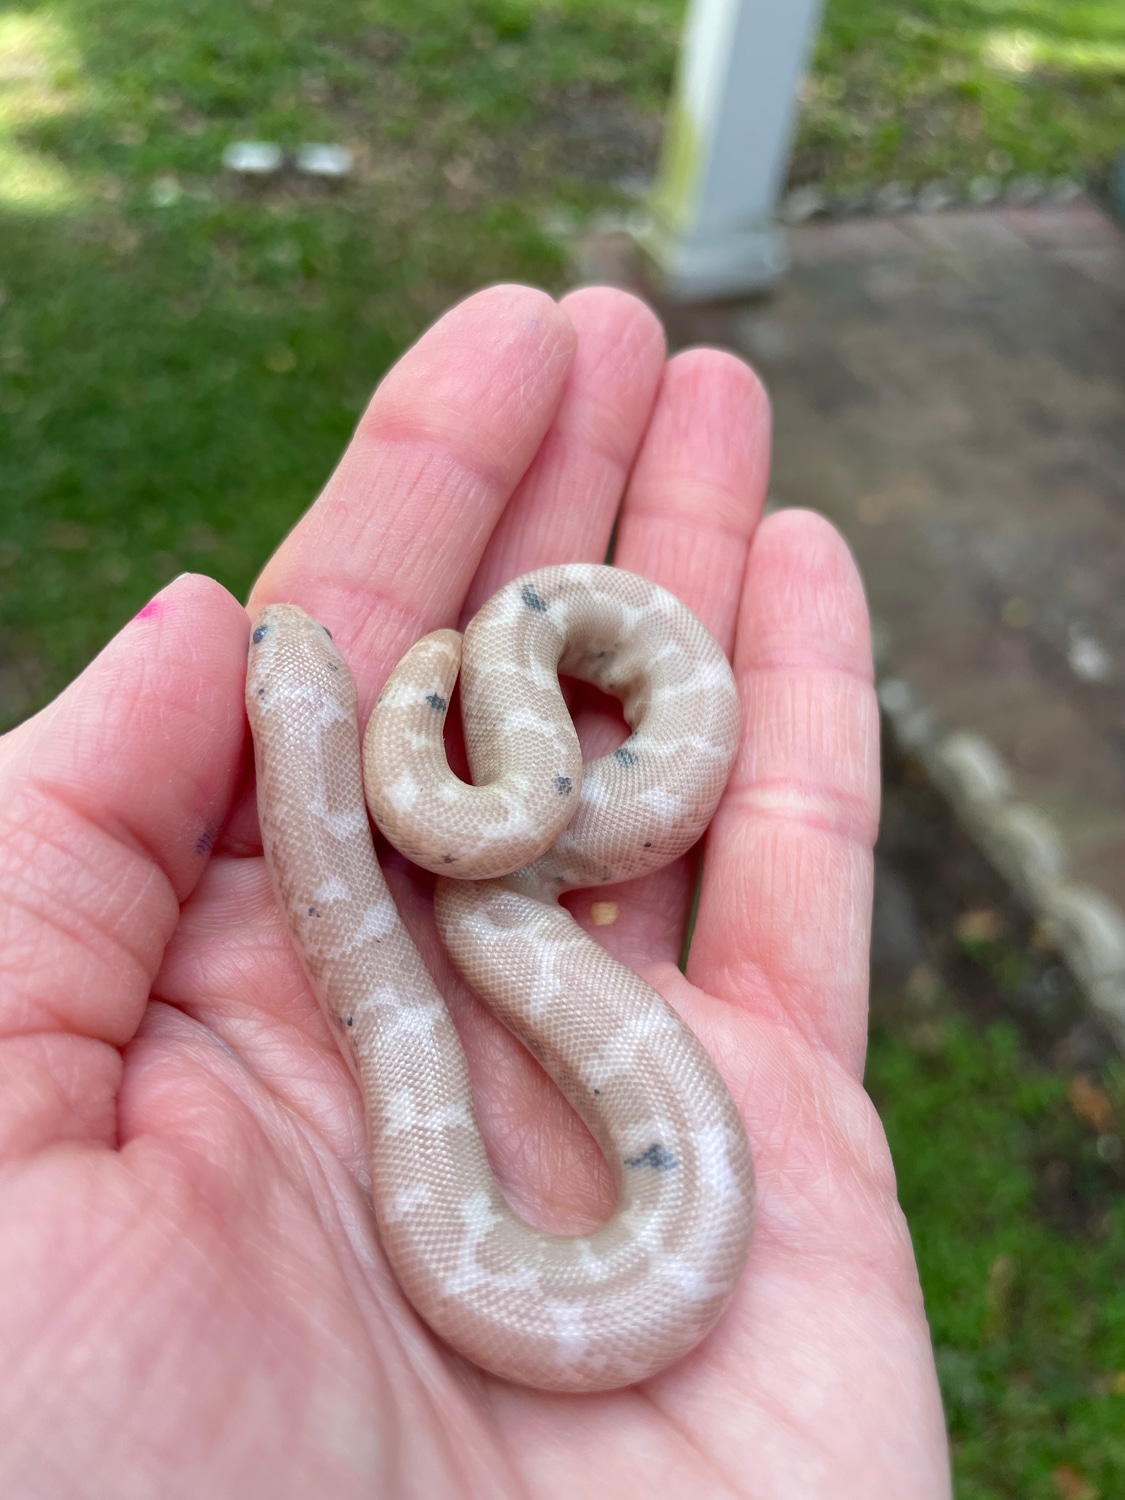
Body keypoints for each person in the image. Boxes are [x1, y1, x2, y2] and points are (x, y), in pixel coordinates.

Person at [0, 284, 951, 1497]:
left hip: (511, 821)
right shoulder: (466, 833)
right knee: (473, 910)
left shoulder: (484, 825)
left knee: (479, 903)